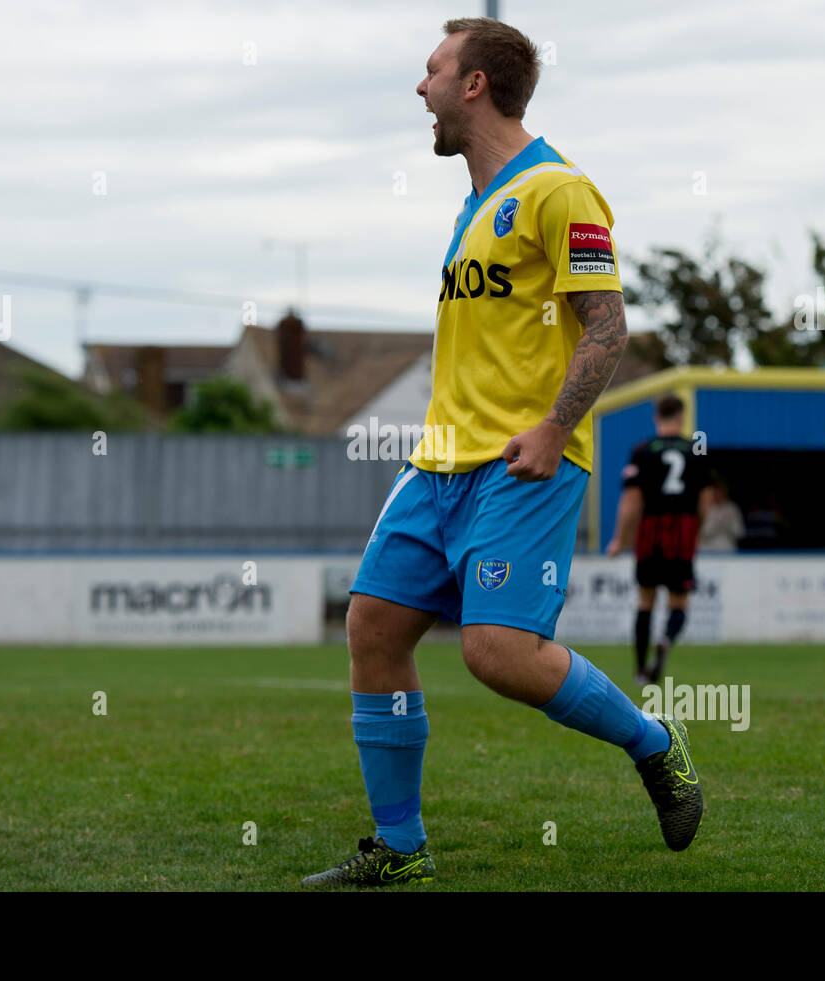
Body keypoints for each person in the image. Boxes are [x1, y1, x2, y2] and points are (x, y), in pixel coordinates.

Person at [300, 17, 702, 889]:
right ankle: (401, 849)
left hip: (526, 460)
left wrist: (556, 428)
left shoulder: (561, 191)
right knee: (372, 627)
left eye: (433, 69)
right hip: (436, 464)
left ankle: (656, 743)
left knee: (498, 652)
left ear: (474, 84)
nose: (421, 88)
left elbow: (609, 325)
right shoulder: (474, 209)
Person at [605, 394, 711, 684]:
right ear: (681, 417)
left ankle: (640, 670)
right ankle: (665, 639)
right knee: (679, 603)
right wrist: (696, 531)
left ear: (656, 418)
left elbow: (631, 500)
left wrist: (618, 539)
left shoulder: (642, 450)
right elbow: (705, 500)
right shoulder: (696, 451)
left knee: (645, 600)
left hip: (651, 529)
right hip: (683, 530)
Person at [699, 478, 744, 553]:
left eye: (720, 491)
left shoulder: (732, 508)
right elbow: (703, 532)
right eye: (716, 491)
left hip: (728, 549)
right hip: (707, 551)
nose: (718, 494)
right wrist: (716, 525)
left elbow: (740, 532)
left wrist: (726, 525)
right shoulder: (706, 507)